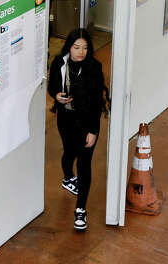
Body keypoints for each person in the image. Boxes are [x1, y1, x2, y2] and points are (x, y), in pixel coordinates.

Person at [47, 28, 109, 231]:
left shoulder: (94, 67)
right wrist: (57, 95)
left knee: (84, 164)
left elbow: (96, 102)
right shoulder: (59, 63)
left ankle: (80, 210)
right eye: (76, 47)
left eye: (85, 48)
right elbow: (51, 86)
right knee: (69, 153)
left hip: (87, 123)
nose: (80, 52)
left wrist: (93, 130)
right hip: (66, 119)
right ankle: (67, 177)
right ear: (69, 47)